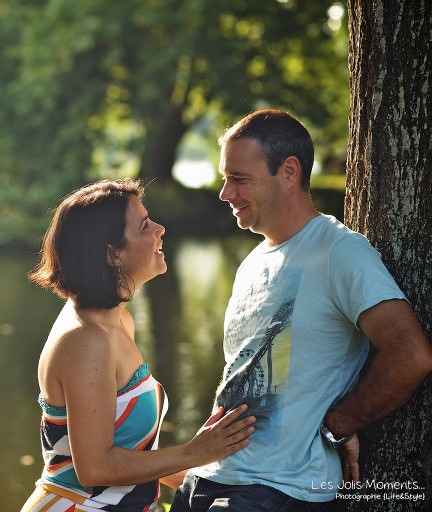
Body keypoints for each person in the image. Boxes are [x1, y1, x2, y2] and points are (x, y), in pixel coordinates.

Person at [170, 109, 432, 512]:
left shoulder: (340, 252)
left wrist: (339, 426)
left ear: (289, 171)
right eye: (226, 179)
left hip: (275, 492)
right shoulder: (254, 262)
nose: (226, 194)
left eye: (239, 179)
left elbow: (411, 355)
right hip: (207, 480)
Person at [21, 178, 256, 512]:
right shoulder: (85, 340)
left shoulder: (116, 321)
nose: (160, 229)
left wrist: (210, 474)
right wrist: (196, 451)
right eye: (145, 225)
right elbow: (94, 469)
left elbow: (132, 452)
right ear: (112, 253)